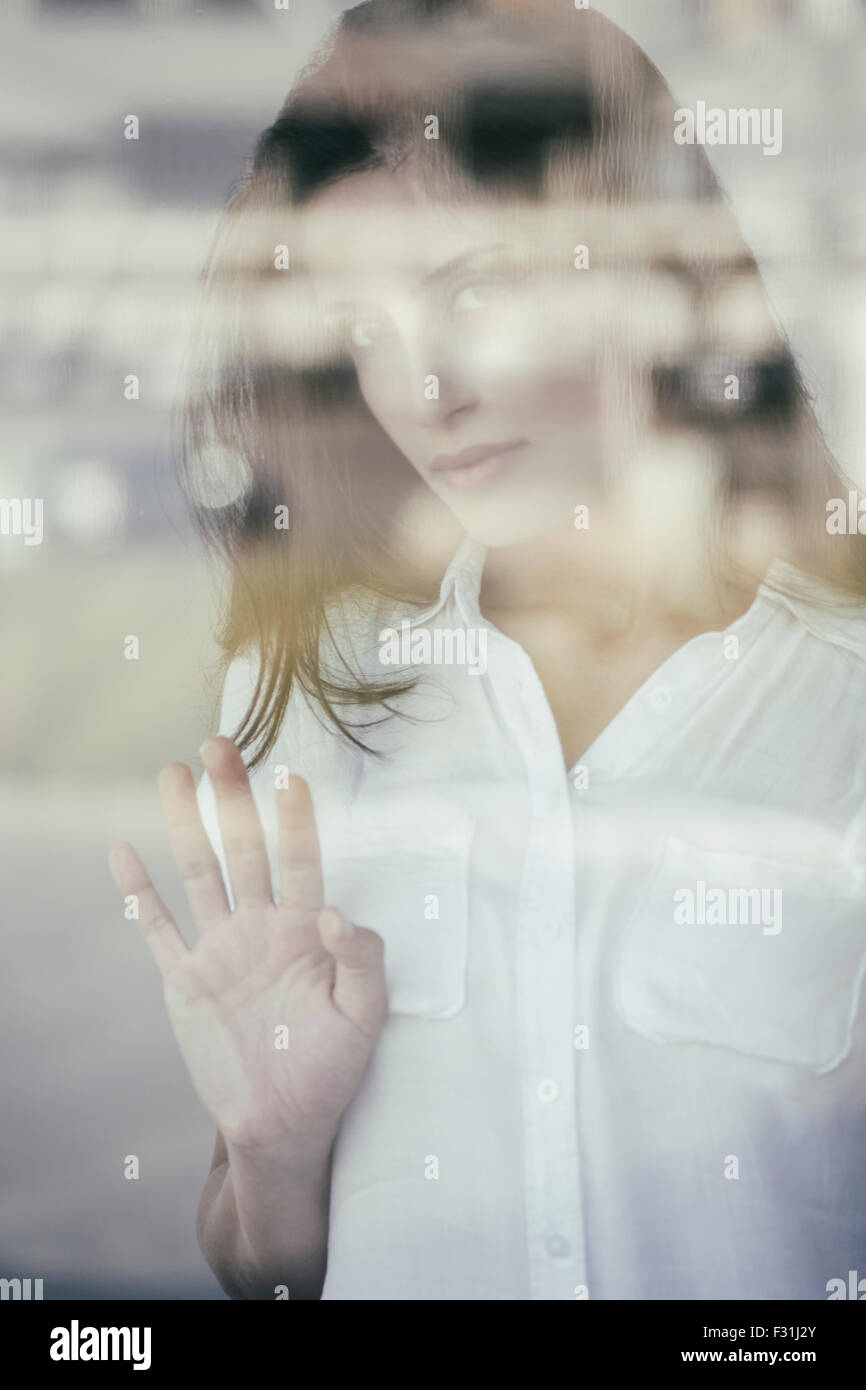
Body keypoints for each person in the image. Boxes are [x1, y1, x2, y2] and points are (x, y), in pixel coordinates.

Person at [109, 0, 866, 1300]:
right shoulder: (311, 708)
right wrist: (271, 1154)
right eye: (361, 328)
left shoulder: (841, 701)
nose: (420, 390)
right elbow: (259, 1267)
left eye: (473, 291)